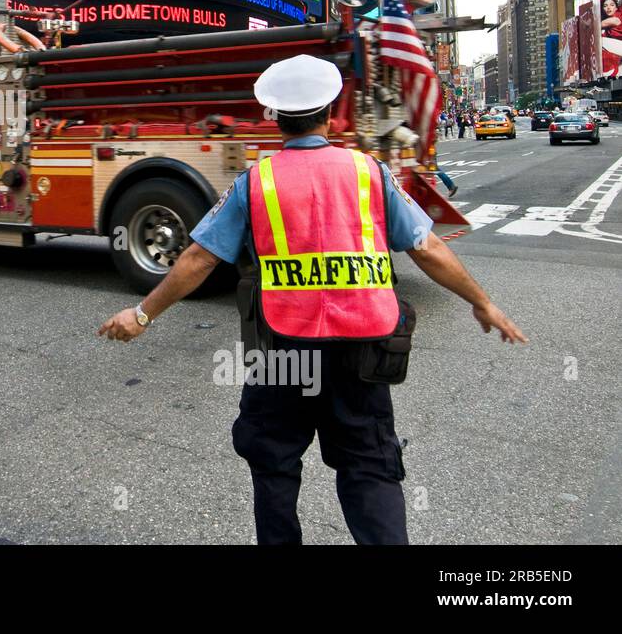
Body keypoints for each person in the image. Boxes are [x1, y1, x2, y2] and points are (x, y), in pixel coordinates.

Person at [97, 54, 527, 545]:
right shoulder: (369, 172)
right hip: (363, 348)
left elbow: (198, 259)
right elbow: (426, 246)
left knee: (274, 463)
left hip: (282, 351)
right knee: (369, 466)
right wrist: (481, 302)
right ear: (330, 112)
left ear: (276, 118)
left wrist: (141, 314)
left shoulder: (256, 181)